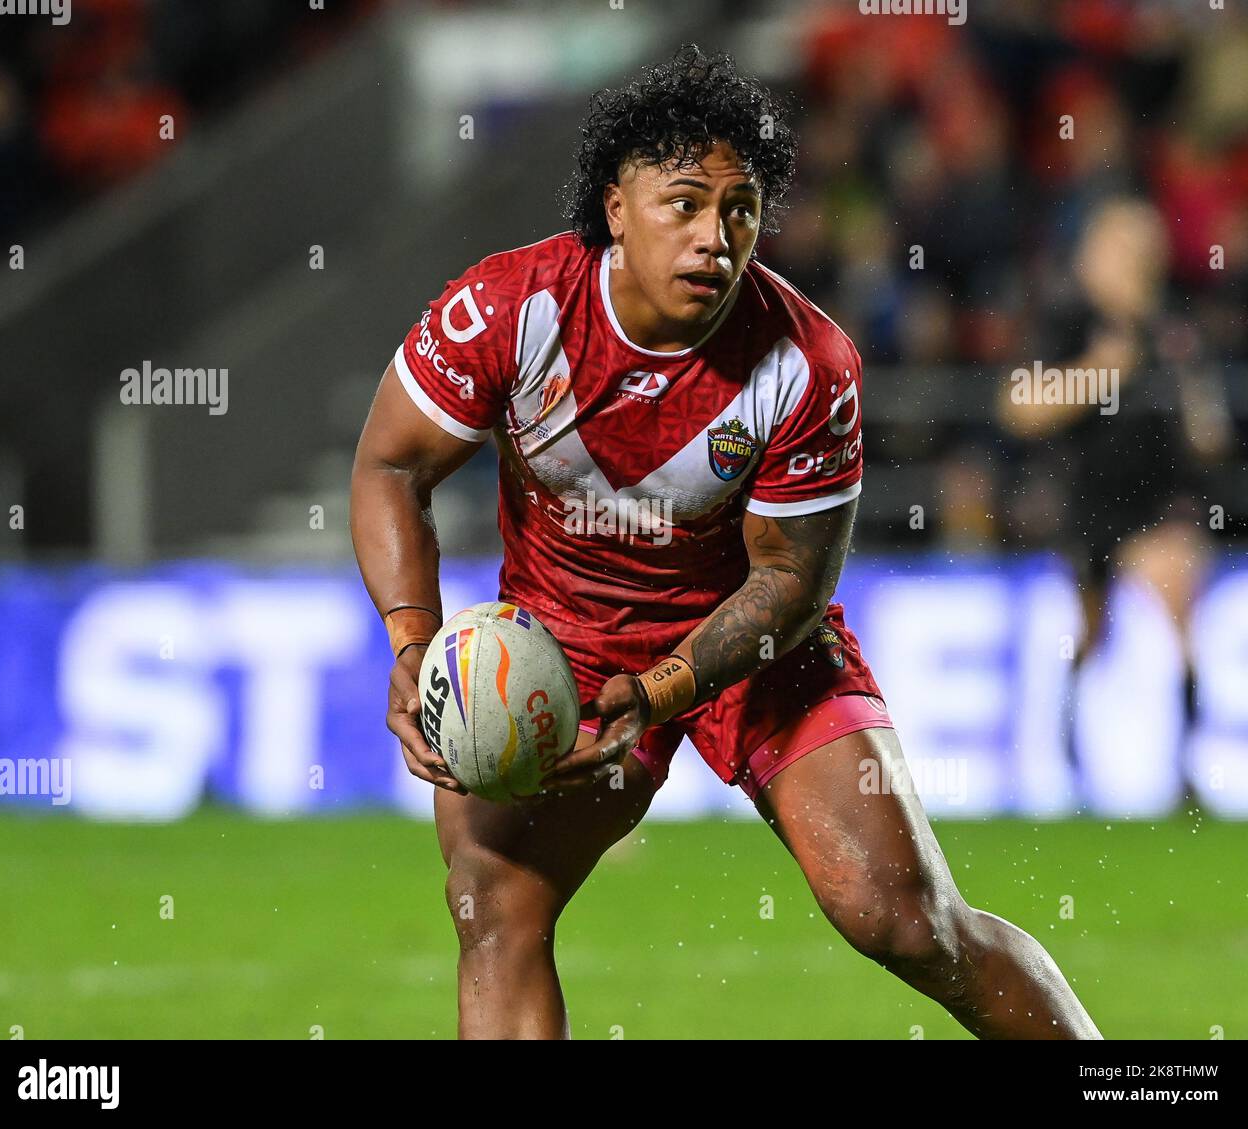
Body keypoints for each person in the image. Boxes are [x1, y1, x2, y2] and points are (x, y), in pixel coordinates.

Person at [351, 44, 1102, 1040]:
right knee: (495, 909)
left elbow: (790, 583)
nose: (718, 236)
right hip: (561, 649)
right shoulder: (509, 309)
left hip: (754, 645)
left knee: (907, 922)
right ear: (616, 207)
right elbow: (389, 466)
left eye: (740, 208)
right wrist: (411, 645)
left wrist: (662, 689)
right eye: (685, 204)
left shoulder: (805, 362)